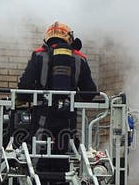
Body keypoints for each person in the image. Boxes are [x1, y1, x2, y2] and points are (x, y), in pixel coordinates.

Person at [16, 21, 97, 156]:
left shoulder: (38, 55)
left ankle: (37, 169)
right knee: (66, 150)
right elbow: (90, 92)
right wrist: (73, 99)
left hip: (42, 116)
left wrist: (25, 98)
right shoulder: (80, 59)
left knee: (36, 151)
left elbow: (25, 85)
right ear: (69, 38)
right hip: (68, 118)